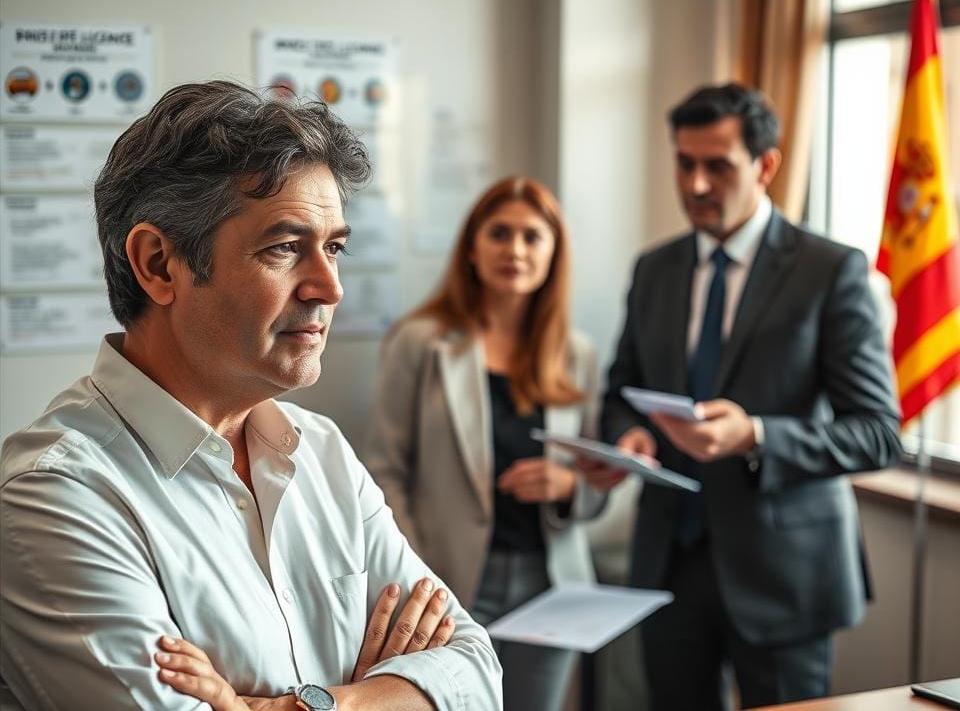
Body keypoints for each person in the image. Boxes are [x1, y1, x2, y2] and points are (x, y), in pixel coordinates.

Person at [0, 81, 501, 711]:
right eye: (286, 248)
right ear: (158, 264)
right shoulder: (55, 495)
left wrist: (298, 706)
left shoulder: (320, 451)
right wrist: (386, 691)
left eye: (335, 248)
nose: (329, 287)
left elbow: (477, 674)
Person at [581, 83, 902, 710]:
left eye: (718, 166)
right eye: (684, 162)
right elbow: (623, 388)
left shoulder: (831, 270)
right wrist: (630, 438)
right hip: (668, 563)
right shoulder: (655, 268)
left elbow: (877, 433)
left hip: (786, 572)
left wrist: (755, 433)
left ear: (767, 165)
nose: (696, 184)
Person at [361, 177, 603, 711]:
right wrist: (414, 571)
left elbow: (600, 482)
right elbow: (385, 471)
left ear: (553, 253)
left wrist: (569, 486)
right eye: (499, 233)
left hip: (552, 582)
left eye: (531, 237)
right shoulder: (420, 341)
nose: (515, 250)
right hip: (450, 576)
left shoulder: (577, 354)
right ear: (472, 247)